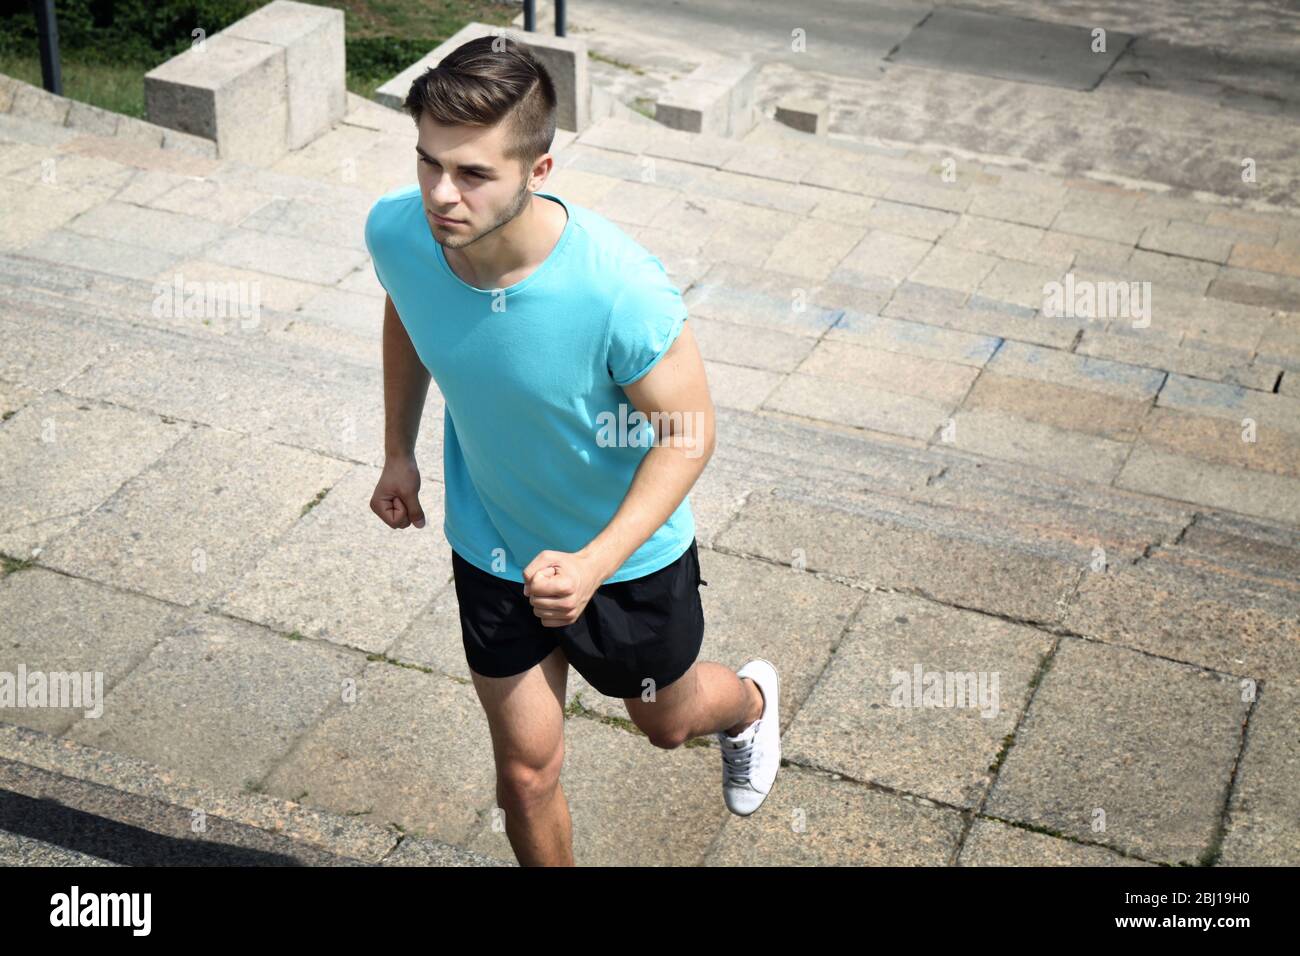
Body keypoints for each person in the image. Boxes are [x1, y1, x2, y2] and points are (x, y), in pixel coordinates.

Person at [364, 33, 779, 866]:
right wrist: (398, 451)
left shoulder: (619, 289)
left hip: (625, 560)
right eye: (428, 162)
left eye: (474, 173)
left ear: (538, 171)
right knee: (525, 774)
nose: (442, 195)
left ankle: (750, 708)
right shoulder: (400, 233)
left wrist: (591, 563)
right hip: (490, 543)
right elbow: (407, 309)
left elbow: (689, 434)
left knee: (664, 725)